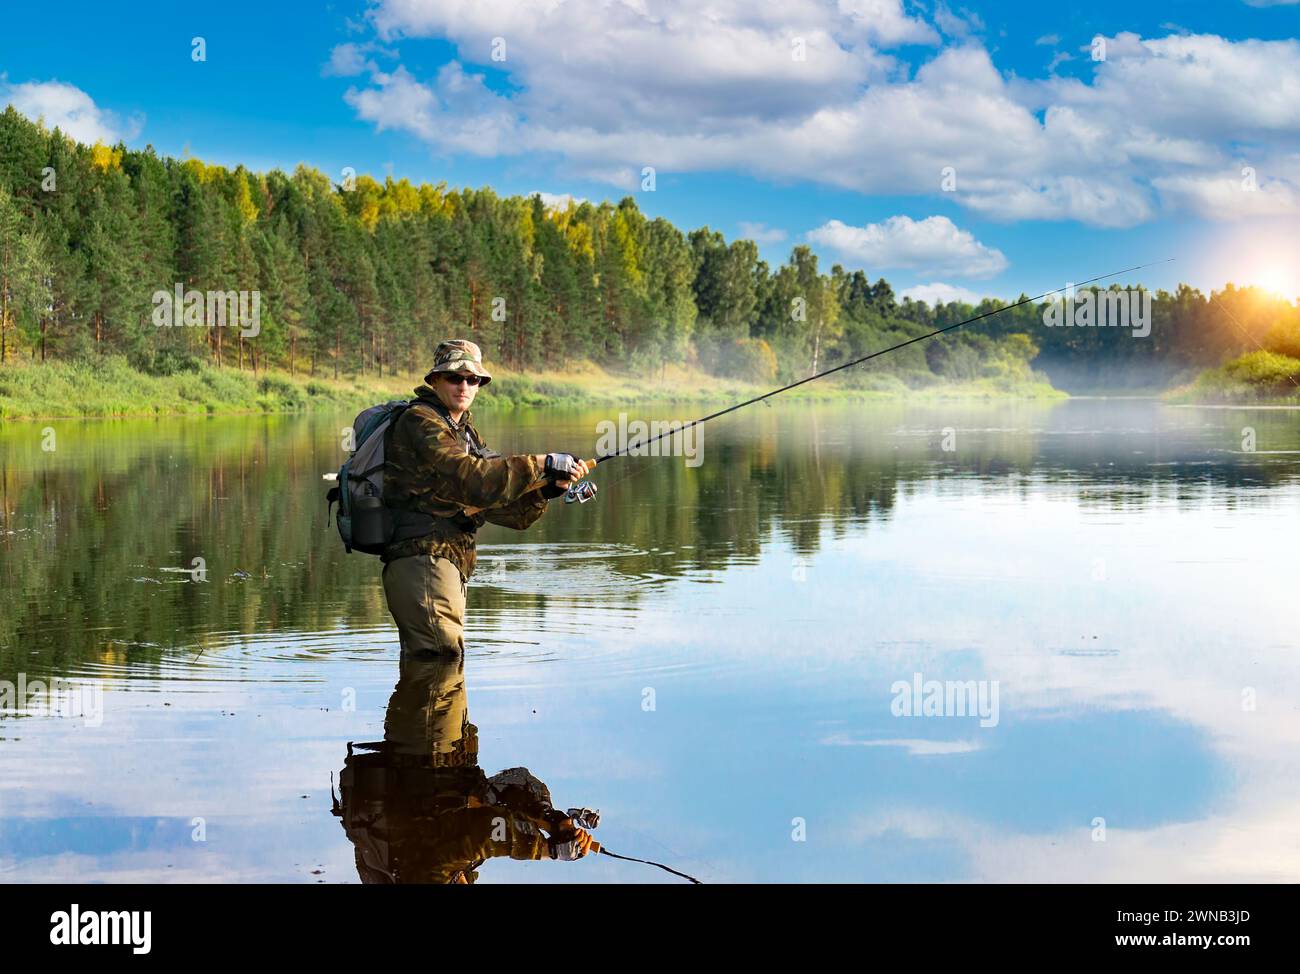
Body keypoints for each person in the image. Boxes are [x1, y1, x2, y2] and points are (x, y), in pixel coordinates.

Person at [380, 339, 589, 655]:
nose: (464, 385)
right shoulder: (421, 421)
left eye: (472, 379)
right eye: (454, 377)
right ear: (434, 380)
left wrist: (548, 488)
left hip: (446, 562)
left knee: (439, 673)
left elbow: (502, 506)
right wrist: (544, 462)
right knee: (440, 662)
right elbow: (474, 479)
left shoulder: (464, 432)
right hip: (423, 559)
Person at [332, 652, 599, 883]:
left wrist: (546, 850)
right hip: (444, 745)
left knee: (439, 650)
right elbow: (515, 781)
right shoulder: (460, 871)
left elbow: (482, 830)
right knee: (440, 652)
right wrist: (550, 820)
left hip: (429, 746)